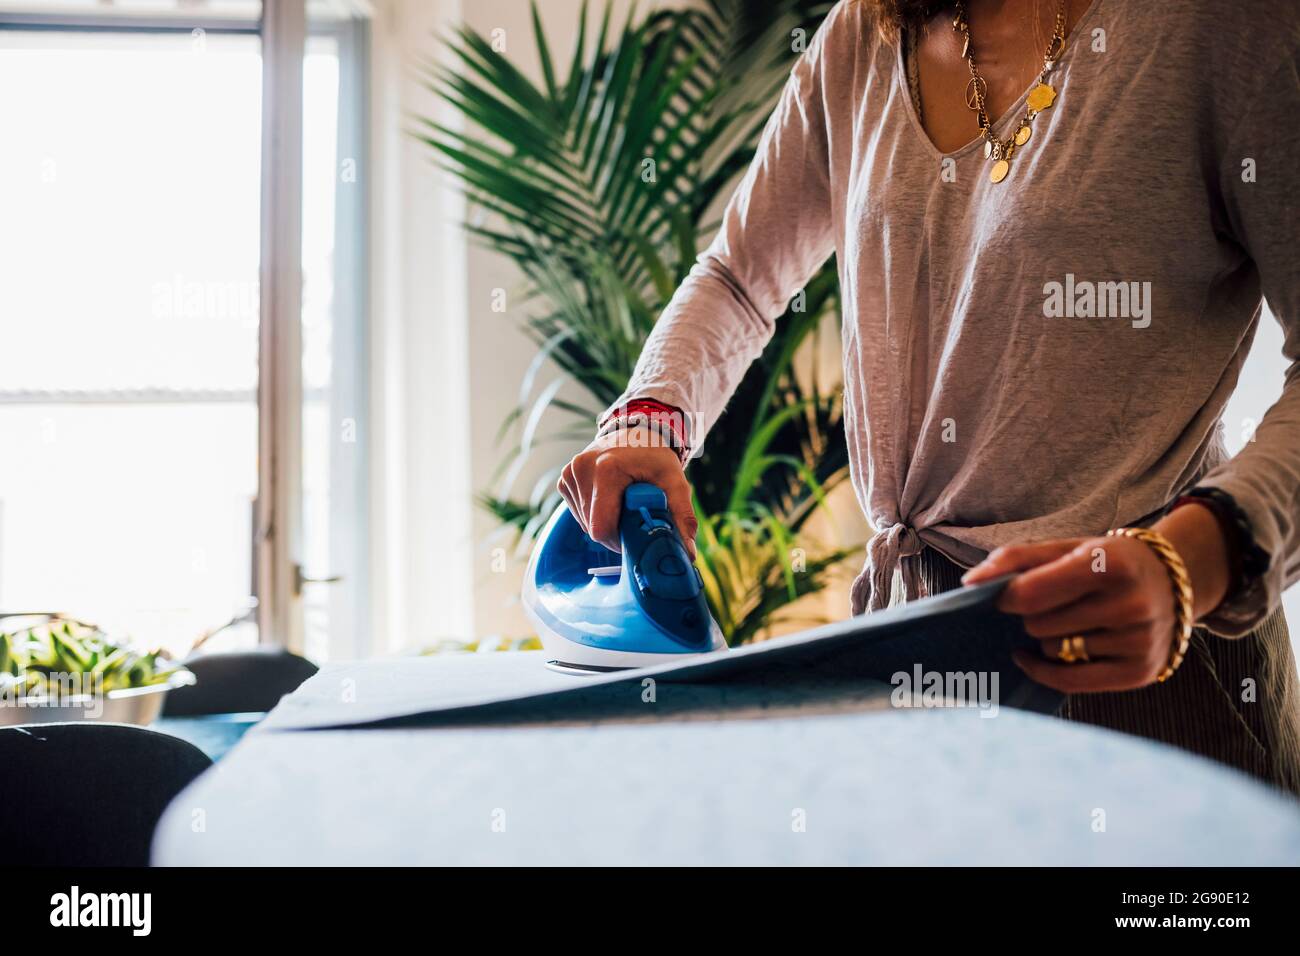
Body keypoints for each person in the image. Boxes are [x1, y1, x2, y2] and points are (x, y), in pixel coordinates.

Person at [556, 0, 1300, 793]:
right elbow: (739, 277)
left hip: (1141, 658)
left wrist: (1191, 560)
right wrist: (650, 415)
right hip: (907, 659)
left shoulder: (1226, 23)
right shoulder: (863, 34)